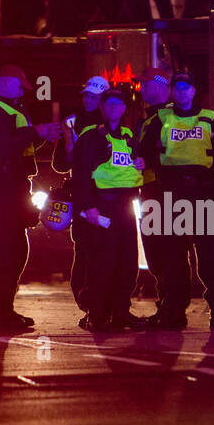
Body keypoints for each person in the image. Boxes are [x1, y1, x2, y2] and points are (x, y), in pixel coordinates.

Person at [137, 69, 214, 330]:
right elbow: (142, 156)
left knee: (210, 256)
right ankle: (174, 310)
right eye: (177, 88)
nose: (182, 92)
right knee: (173, 258)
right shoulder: (160, 119)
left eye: (187, 88)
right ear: (172, 92)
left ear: (194, 91)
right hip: (170, 196)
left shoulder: (210, 119)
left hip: (203, 194)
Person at [0, 64, 60, 333]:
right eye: (21, 86)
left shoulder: (12, 110)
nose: (23, 92)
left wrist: (43, 136)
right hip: (0, 185)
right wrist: (37, 132)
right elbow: (3, 145)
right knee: (5, 250)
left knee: (16, 249)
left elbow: (21, 147)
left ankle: (5, 309)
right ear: (7, 83)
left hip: (14, 185)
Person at [71, 88, 148, 333]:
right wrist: (89, 207)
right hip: (101, 205)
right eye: (109, 103)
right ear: (102, 108)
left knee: (127, 262)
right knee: (101, 263)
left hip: (125, 206)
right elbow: (80, 175)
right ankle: (97, 314)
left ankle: (120, 312)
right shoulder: (90, 137)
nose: (114, 107)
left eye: (118, 104)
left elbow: (135, 166)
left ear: (124, 108)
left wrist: (141, 162)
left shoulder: (128, 136)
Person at [53, 75, 107, 323]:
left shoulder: (114, 123)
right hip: (84, 194)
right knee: (84, 250)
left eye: (94, 97)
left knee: (106, 252)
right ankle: (88, 306)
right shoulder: (71, 123)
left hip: (108, 196)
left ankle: (104, 308)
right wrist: (67, 145)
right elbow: (59, 164)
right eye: (86, 95)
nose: (88, 100)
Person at [134, 65, 173, 320]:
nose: (142, 89)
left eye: (146, 84)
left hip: (162, 191)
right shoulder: (148, 117)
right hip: (150, 190)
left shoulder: (168, 118)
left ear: (161, 86)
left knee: (165, 251)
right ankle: (167, 305)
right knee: (156, 251)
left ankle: (170, 308)